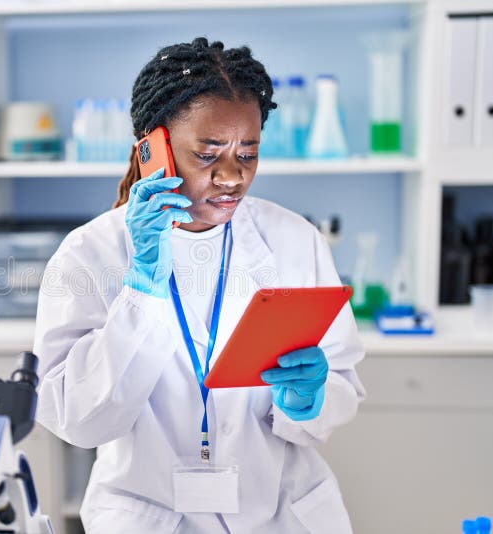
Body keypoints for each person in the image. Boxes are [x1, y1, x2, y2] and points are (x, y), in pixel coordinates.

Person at [33, 37, 365, 534]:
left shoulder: (296, 241)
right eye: (207, 154)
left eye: (247, 154)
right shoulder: (90, 254)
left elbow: (342, 384)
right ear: (154, 150)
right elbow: (76, 420)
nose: (231, 176)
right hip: (150, 517)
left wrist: (309, 398)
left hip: (280, 513)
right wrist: (141, 289)